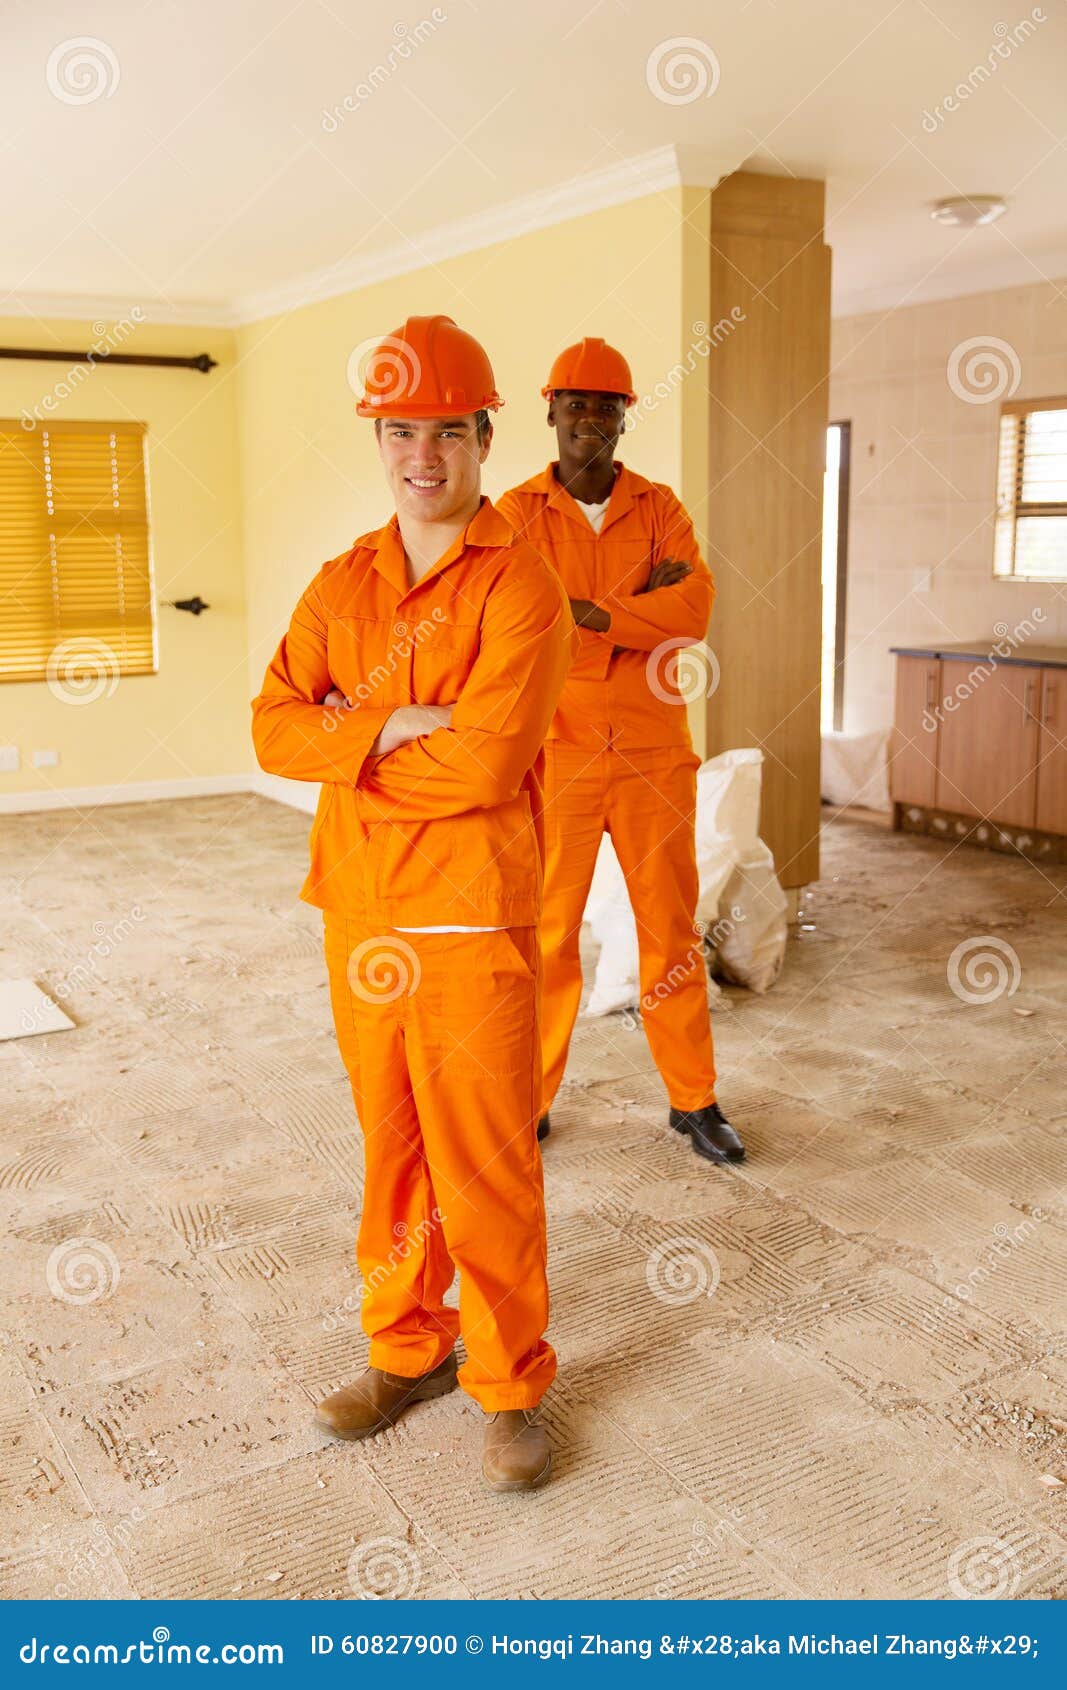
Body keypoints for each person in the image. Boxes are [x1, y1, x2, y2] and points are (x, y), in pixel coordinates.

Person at [251, 315, 574, 1492]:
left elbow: (488, 767)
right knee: (391, 1155)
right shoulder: (341, 580)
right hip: (362, 911)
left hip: (469, 919)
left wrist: (346, 751)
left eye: (446, 429)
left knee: (484, 1160)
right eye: (399, 430)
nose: (420, 453)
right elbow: (270, 725)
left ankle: (507, 1382)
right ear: (378, 438)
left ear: (486, 435)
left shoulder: (521, 586)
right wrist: (390, 725)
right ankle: (406, 1348)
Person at [497, 337, 744, 1168]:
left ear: (624, 416)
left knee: (669, 932)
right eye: (576, 404)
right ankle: (527, 1101)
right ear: (551, 410)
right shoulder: (513, 514)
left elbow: (696, 607)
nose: (591, 419)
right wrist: (638, 610)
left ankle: (693, 1100)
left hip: (649, 752)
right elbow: (515, 620)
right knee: (546, 935)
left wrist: (591, 617)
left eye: (606, 406)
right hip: (555, 754)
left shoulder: (660, 505)